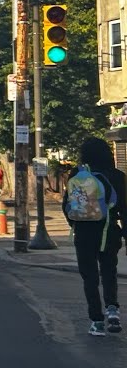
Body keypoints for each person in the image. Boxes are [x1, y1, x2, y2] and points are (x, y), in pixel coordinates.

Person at [62, 137, 127, 337]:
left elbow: (66, 205)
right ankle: (113, 311)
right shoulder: (117, 175)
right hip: (108, 231)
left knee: (89, 277)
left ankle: (97, 321)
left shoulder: (77, 174)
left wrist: (74, 224)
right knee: (109, 271)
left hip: (83, 232)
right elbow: (124, 208)